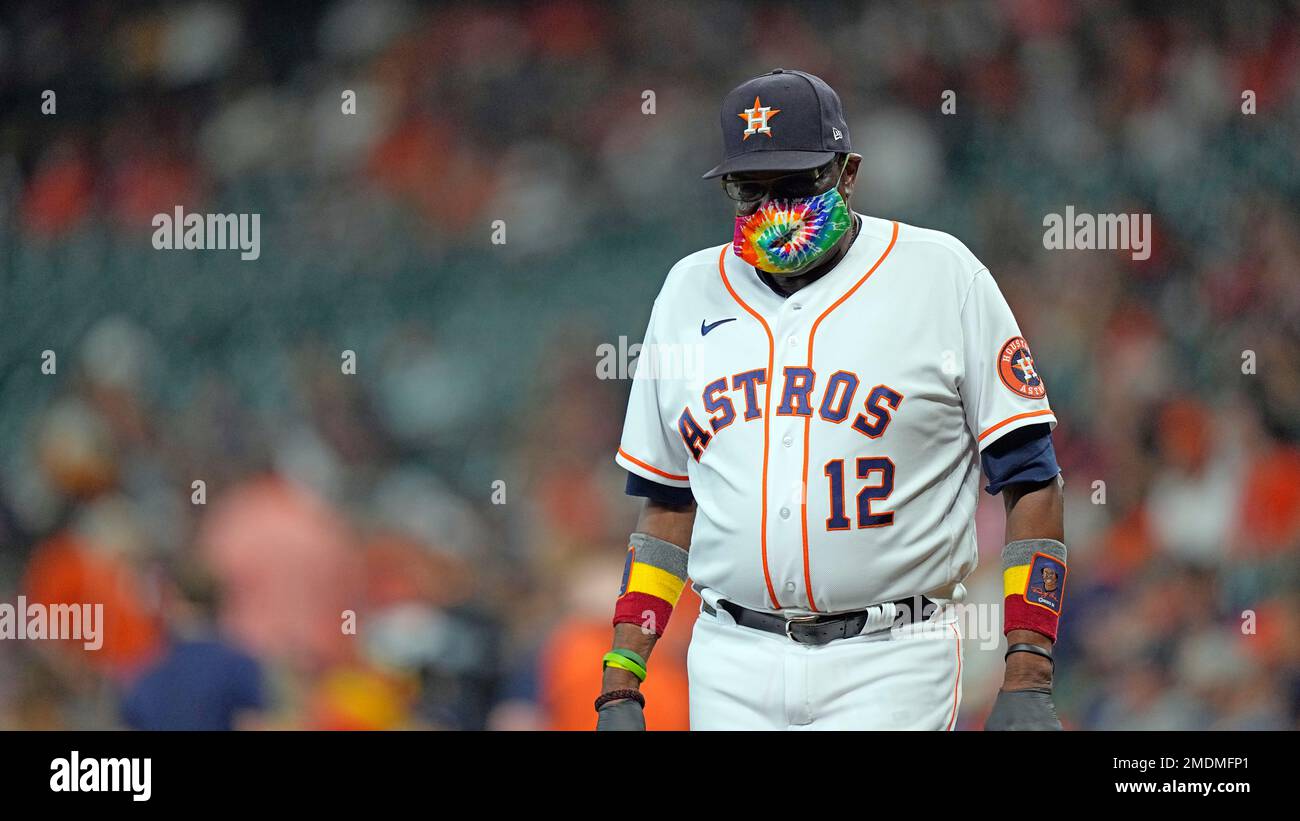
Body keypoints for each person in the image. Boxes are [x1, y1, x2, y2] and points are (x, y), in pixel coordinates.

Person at [596, 69, 1065, 730]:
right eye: (749, 189)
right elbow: (669, 504)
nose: (773, 208)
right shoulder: (686, 291)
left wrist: (1029, 670)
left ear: (848, 172)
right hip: (730, 655)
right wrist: (622, 679)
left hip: (892, 657)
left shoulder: (943, 276)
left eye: (795, 183)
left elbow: (1033, 478)